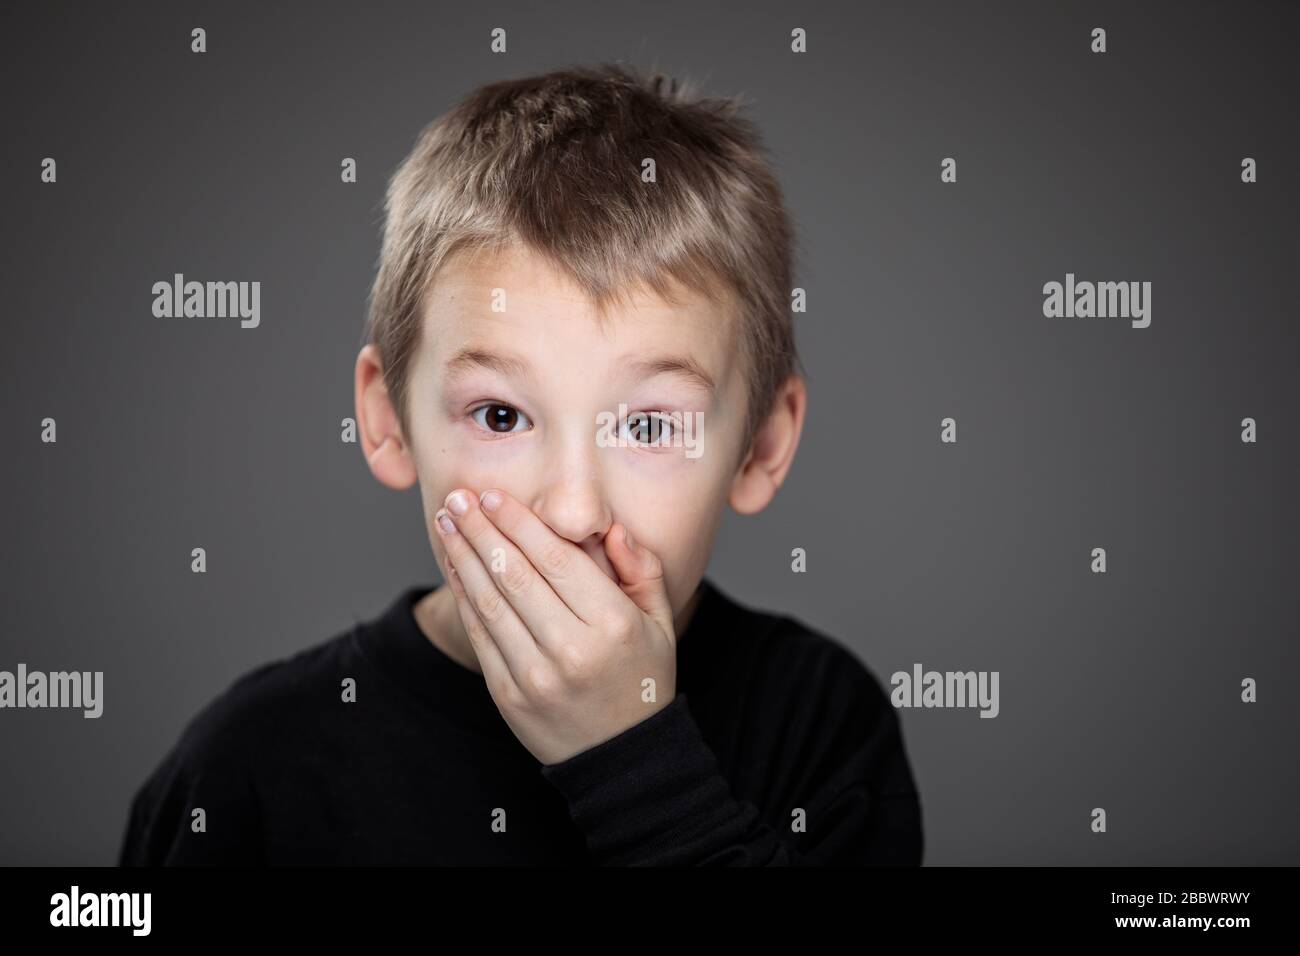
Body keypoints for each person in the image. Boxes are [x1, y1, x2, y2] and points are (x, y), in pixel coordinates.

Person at [118, 62, 923, 866]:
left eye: (647, 427)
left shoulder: (820, 721)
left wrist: (633, 755)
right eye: (501, 416)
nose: (573, 511)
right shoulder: (248, 765)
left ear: (762, 446)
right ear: (389, 422)